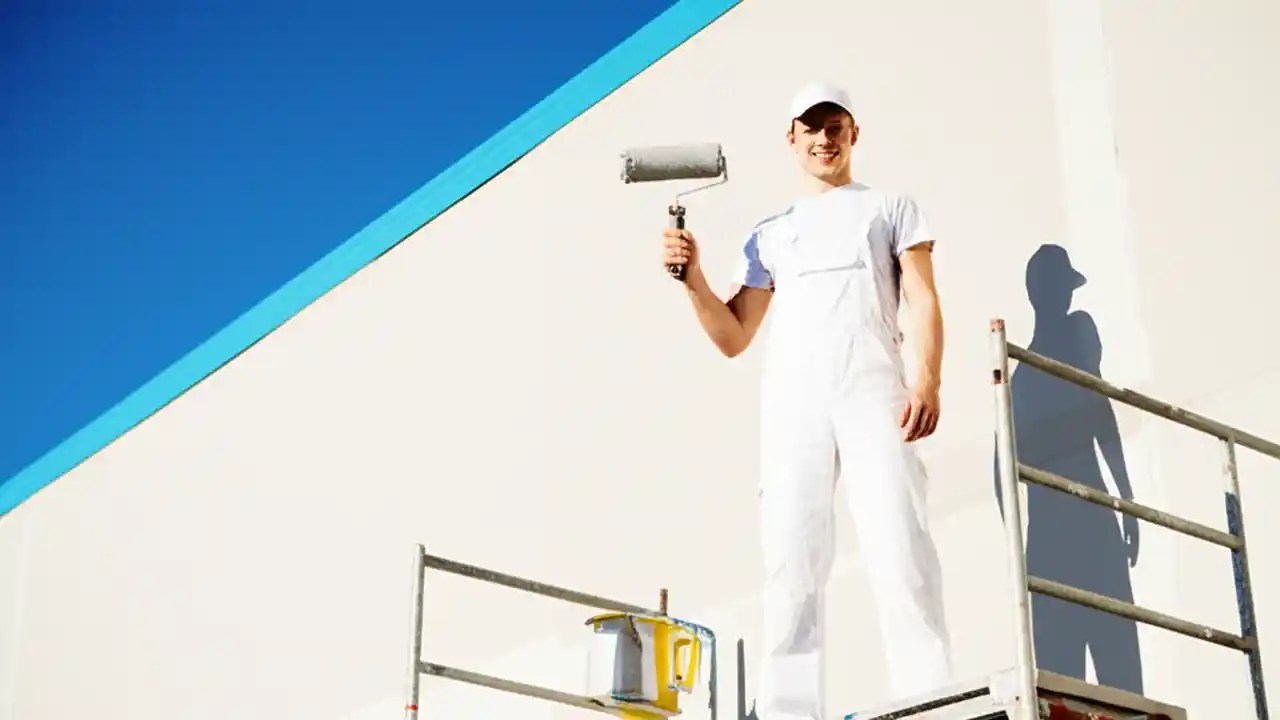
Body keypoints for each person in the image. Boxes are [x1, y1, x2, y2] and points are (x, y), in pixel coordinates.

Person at [660, 81, 952, 719]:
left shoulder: (892, 207)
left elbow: (923, 298)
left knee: (899, 549)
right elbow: (735, 335)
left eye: (836, 125)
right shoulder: (771, 233)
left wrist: (925, 378)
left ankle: (931, 704)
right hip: (795, 404)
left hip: (875, 390)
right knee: (791, 566)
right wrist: (694, 281)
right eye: (811, 127)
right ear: (791, 139)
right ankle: (792, 713)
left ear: (854, 134)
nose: (824, 138)